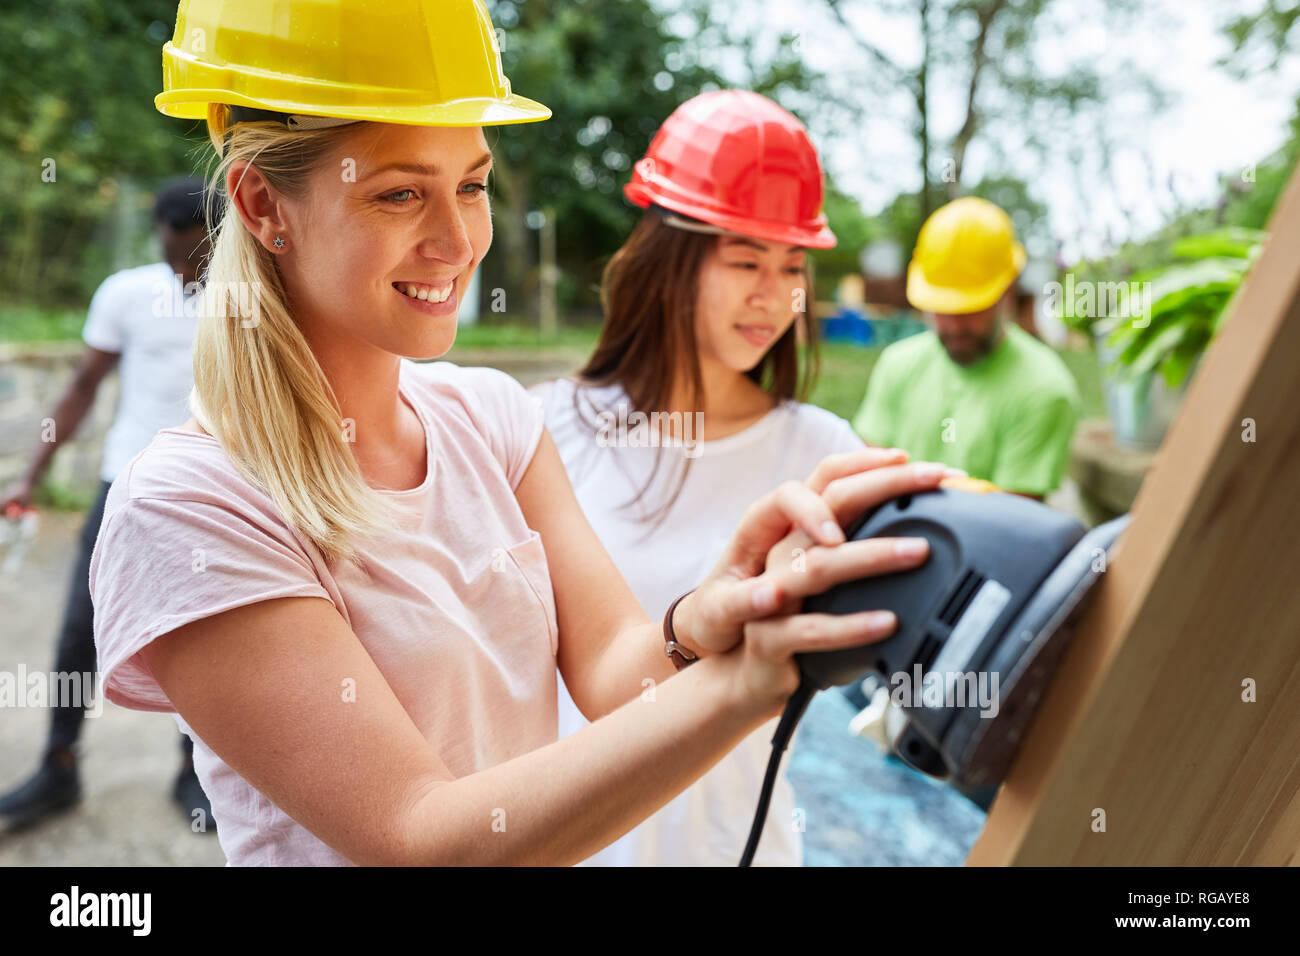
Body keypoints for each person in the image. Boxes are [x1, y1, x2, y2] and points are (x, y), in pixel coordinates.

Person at [85, 0, 955, 866]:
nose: (459, 240)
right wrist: (747, 680)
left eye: (471, 183)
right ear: (262, 202)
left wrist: (707, 614)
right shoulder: (191, 510)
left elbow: (618, 673)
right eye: (400, 194)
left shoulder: (491, 420)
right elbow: (424, 839)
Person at [532, 90, 956, 866]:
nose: (775, 293)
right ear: (669, 259)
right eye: (745, 260)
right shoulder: (547, 430)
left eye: (792, 264)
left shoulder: (819, 452)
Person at [0, 178, 215, 832]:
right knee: (78, 632)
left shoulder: (253, 300)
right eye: (175, 251)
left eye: (198, 255)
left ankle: (194, 772)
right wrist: (29, 476)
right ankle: (59, 766)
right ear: (159, 236)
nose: (186, 269)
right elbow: (84, 385)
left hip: (209, 492)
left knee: (201, 638)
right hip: (124, 485)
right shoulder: (126, 294)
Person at [851, 197, 1081, 502]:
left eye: (970, 308)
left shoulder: (1044, 389)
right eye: (941, 308)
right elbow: (864, 479)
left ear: (1007, 292)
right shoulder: (897, 364)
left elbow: (1013, 526)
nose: (953, 325)